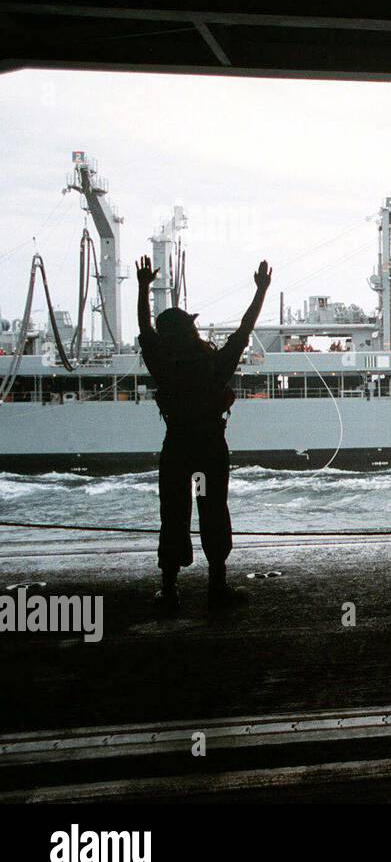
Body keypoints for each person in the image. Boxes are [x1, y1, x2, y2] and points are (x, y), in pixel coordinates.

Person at [136, 255, 272, 610]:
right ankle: (217, 586)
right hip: (208, 452)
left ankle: (169, 589)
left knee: (173, 513)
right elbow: (244, 330)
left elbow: (146, 334)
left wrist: (142, 288)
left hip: (178, 450)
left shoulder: (163, 365)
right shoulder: (212, 364)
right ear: (192, 332)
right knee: (212, 509)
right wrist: (260, 292)